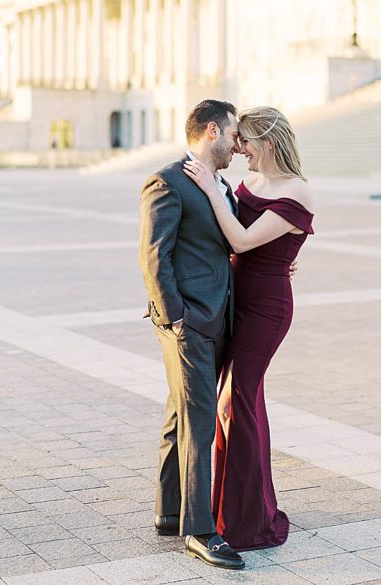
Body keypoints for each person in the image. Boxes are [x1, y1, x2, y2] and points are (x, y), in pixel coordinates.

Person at [183, 105, 314, 551]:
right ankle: (245, 507)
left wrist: (208, 187)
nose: (238, 150)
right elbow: (235, 238)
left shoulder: (297, 190)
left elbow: (240, 238)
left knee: (234, 403)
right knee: (242, 404)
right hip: (236, 301)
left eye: (245, 142)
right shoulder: (252, 182)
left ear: (269, 143)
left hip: (266, 310)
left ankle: (246, 523)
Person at [138, 99, 245, 571]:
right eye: (233, 134)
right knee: (200, 420)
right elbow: (153, 256)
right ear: (210, 131)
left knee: (180, 411)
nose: (238, 145)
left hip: (217, 317)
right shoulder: (168, 182)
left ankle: (169, 510)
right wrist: (175, 317)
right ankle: (201, 530)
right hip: (188, 322)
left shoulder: (221, 186)